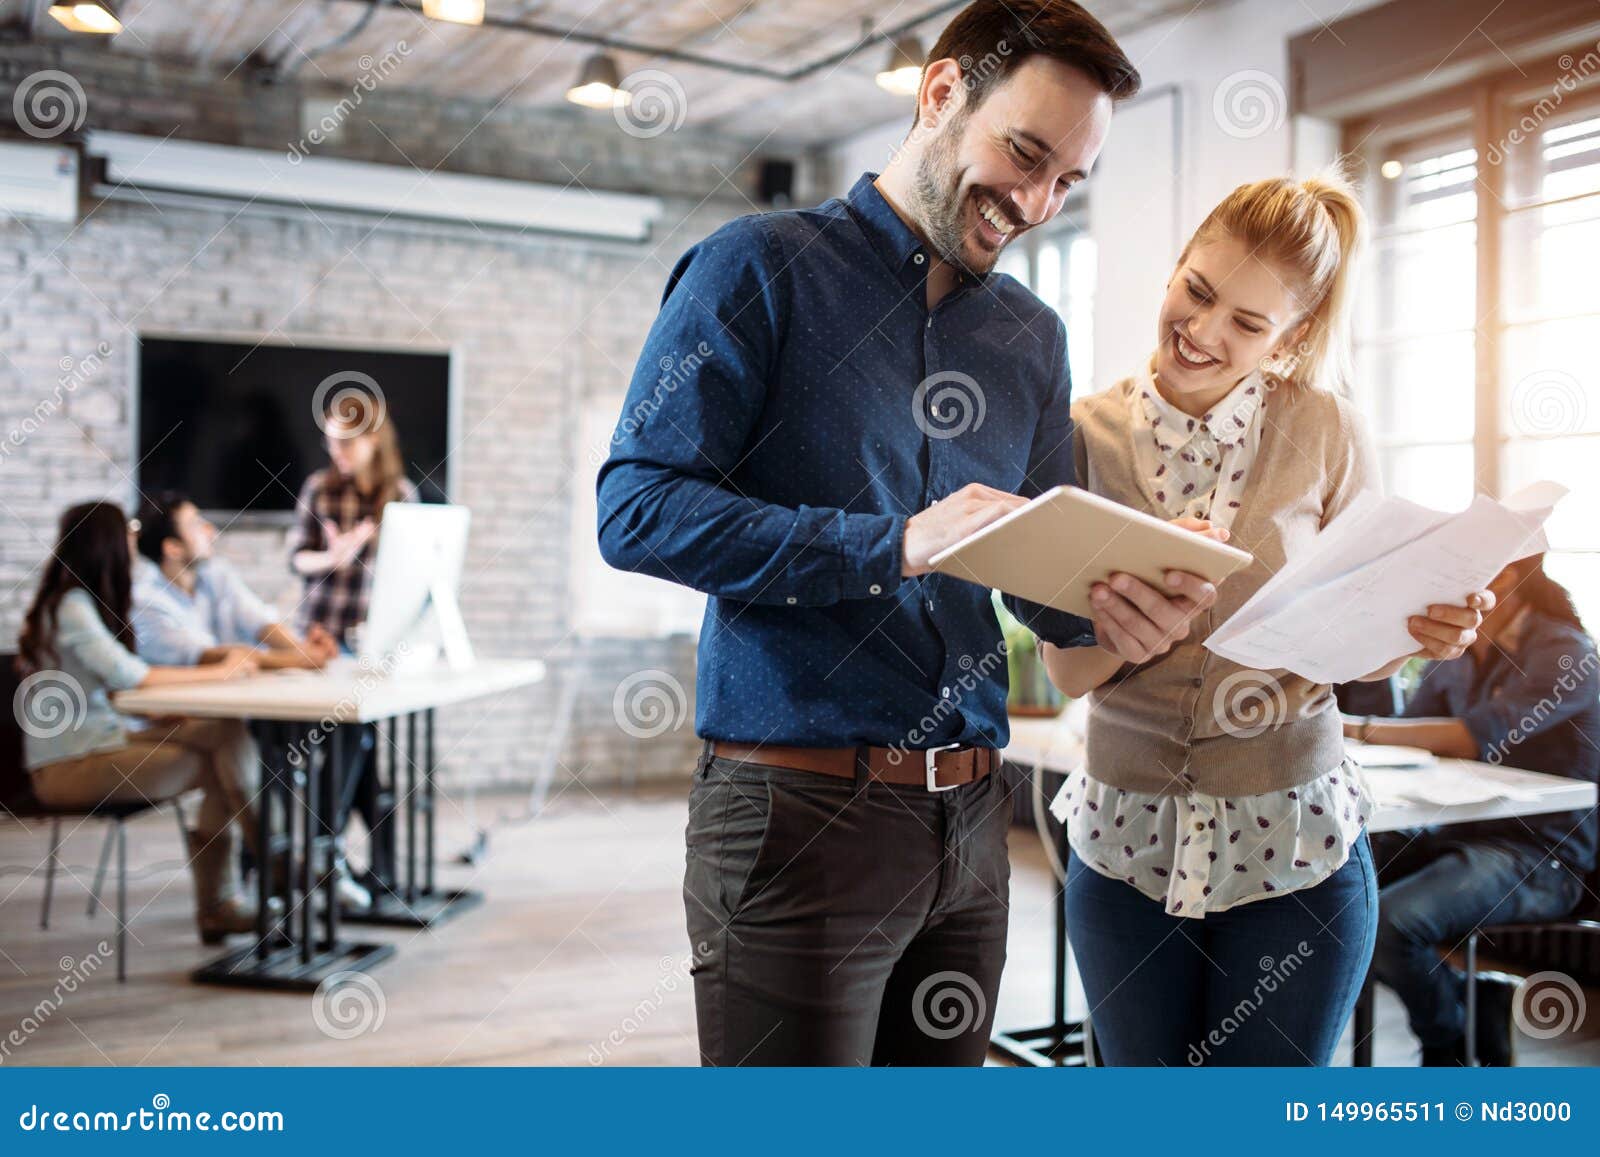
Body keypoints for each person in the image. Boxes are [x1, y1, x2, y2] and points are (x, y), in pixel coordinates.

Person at [599, 1, 1222, 1066]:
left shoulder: (1028, 336)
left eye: (1067, 183)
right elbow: (637, 508)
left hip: (973, 826)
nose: (1033, 202)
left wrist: (1133, 598)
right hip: (795, 815)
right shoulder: (757, 268)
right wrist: (889, 543)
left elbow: (1038, 590)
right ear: (941, 93)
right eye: (1023, 154)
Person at [1041, 171, 1496, 1066]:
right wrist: (1147, 602)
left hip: (1296, 842)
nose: (1203, 332)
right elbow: (1066, 670)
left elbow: (1368, 626)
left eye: (1249, 323)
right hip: (1126, 838)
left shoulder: (1327, 428)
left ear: (1290, 336)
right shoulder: (1077, 432)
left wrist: (1430, 624)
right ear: (1176, 266)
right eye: (1197, 292)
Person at [1348, 554, 1600, 1065]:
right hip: (1456, 833)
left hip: (1544, 854)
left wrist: (1349, 726)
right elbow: (1409, 739)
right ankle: (1471, 1005)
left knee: (1394, 924)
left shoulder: (1567, 653)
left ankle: (1451, 1048)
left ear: (1505, 578)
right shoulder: (1460, 656)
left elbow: (1473, 738)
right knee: (1339, 885)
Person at [16, 501, 267, 943]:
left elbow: (113, 691)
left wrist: (161, 711)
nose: (136, 538)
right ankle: (245, 884)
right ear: (105, 542)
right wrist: (221, 670)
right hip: (68, 765)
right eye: (128, 529)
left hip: (106, 736)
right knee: (223, 767)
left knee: (225, 731)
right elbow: (130, 675)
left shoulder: (86, 602)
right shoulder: (72, 606)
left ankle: (265, 869)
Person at [287, 389, 415, 907]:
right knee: (350, 744)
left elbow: (409, 576)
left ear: (373, 439)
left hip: (374, 645)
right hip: (320, 640)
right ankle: (357, 865)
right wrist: (332, 558)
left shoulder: (400, 497)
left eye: (345, 442)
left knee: (353, 743)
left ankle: (330, 858)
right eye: (330, 441)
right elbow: (297, 559)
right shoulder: (319, 488)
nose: (335, 451)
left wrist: (368, 550)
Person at [131, 490, 339, 670]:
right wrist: (299, 659)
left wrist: (303, 650)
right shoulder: (146, 603)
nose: (210, 531)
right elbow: (207, 657)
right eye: (196, 525)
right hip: (185, 711)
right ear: (172, 548)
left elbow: (261, 622)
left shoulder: (215, 574)